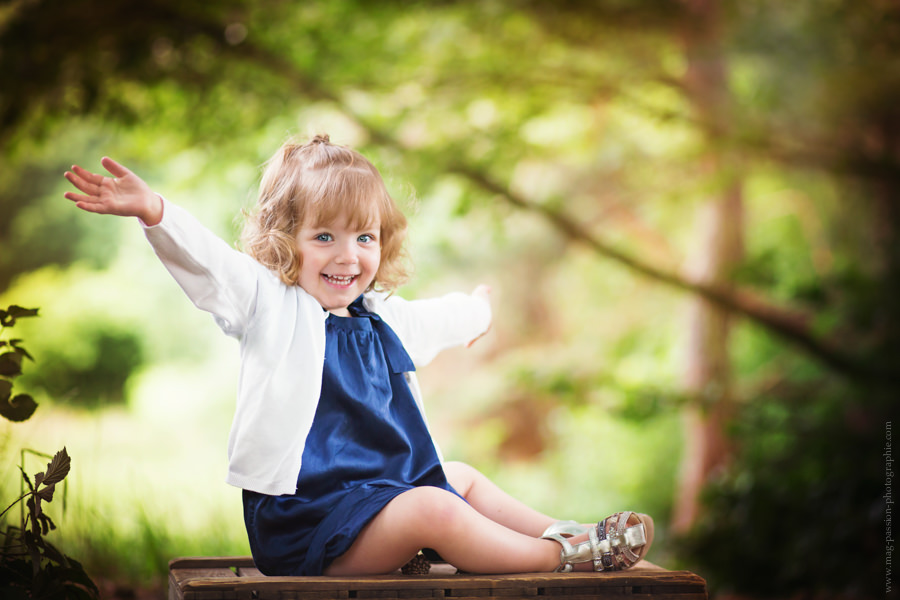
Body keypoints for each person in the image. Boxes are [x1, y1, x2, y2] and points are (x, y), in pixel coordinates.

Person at [63, 135, 654, 576]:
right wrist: (156, 212)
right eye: (324, 237)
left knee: (460, 479)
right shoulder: (272, 307)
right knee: (433, 506)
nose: (348, 255)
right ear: (283, 242)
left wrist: (478, 314)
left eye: (363, 237)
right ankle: (560, 560)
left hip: (378, 507)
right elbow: (212, 264)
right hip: (308, 528)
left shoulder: (381, 316)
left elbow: (438, 319)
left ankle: (570, 531)